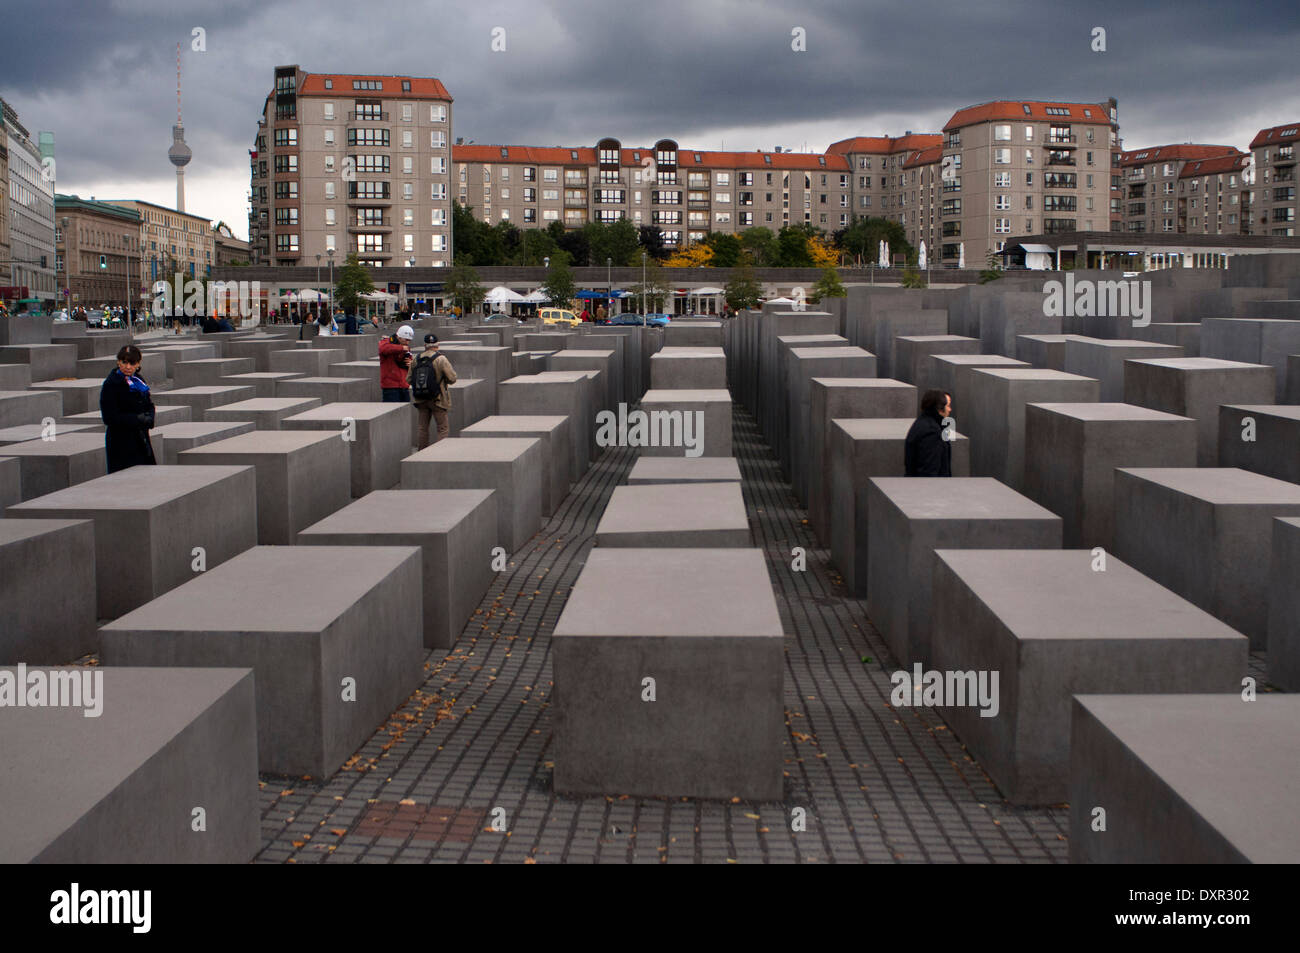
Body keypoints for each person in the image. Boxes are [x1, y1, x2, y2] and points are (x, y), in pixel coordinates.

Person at [100, 344, 157, 473]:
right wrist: (136, 419)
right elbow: (109, 417)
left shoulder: (139, 380)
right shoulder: (111, 384)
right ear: (118, 362)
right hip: (121, 442)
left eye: (132, 363)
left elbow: (149, 404)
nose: (128, 367)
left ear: (138, 364)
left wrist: (150, 417)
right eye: (124, 362)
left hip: (141, 439)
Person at [408, 334, 458, 448]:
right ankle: (439, 454)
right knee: (442, 428)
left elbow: (408, 379)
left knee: (422, 428)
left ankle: (421, 454)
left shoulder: (416, 359)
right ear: (437, 345)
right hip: (438, 399)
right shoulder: (441, 359)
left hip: (420, 399)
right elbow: (452, 378)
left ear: (425, 345)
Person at [904, 389, 954, 477]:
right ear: (939, 408)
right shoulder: (932, 432)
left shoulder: (921, 423)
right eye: (948, 406)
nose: (950, 409)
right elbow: (929, 471)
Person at [379, 324, 415, 401]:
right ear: (399, 337)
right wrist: (401, 348)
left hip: (404, 385)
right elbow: (383, 349)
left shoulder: (405, 347)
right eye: (406, 340)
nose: (407, 343)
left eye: (409, 340)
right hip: (390, 387)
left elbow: (409, 358)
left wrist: (411, 363)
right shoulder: (386, 342)